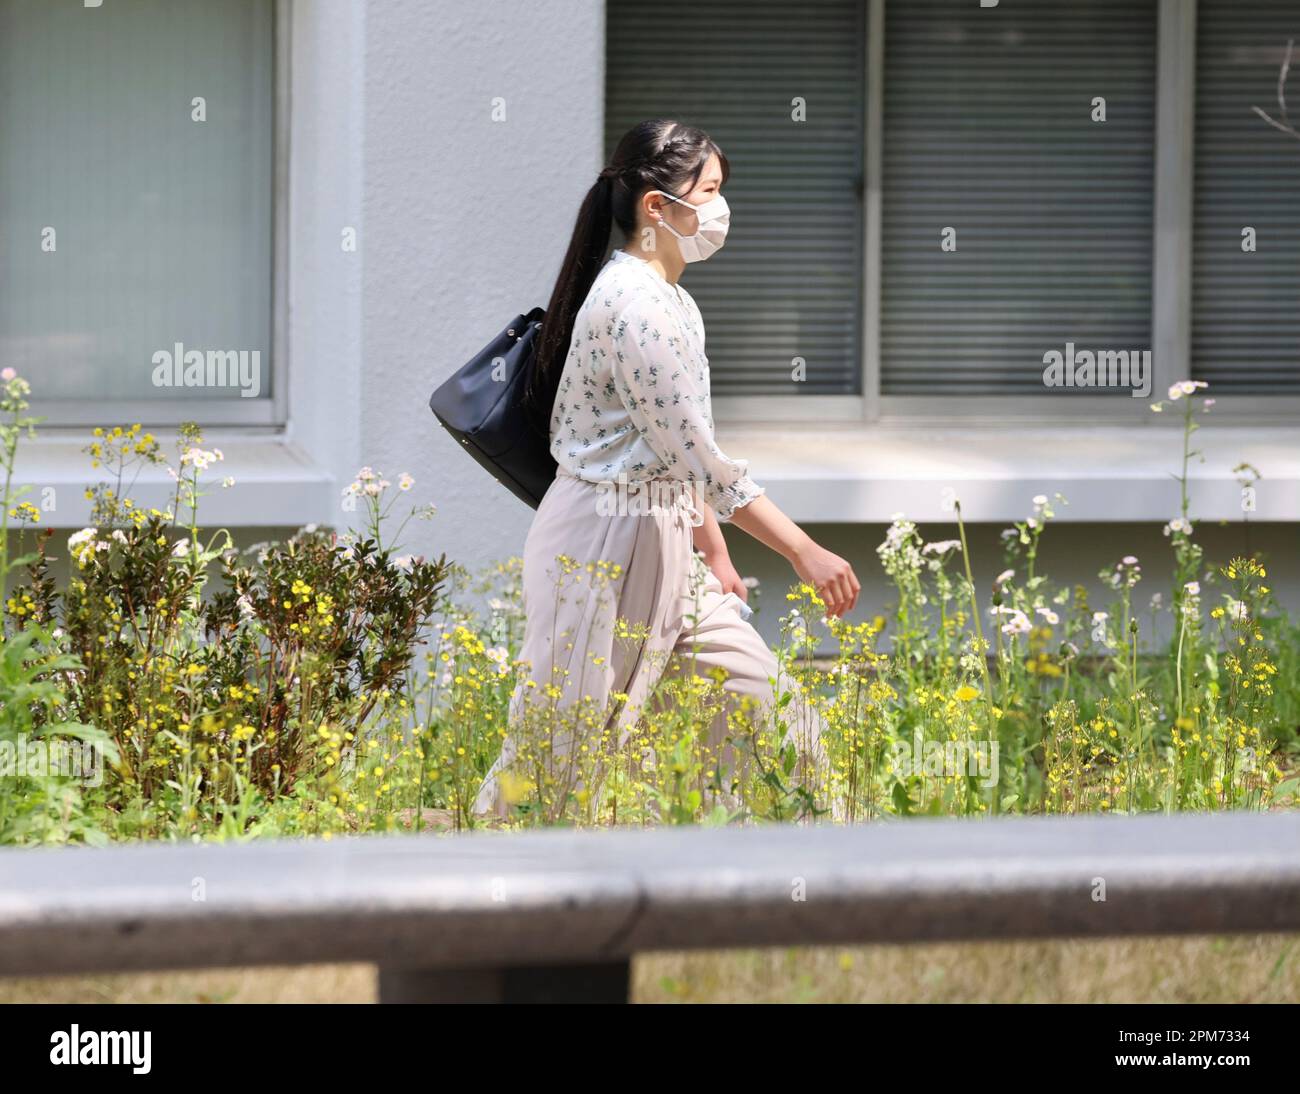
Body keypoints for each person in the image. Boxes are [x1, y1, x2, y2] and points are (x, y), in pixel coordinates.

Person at [472, 119, 859, 820]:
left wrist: (709, 550)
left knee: (778, 723)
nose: (719, 209)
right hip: (600, 546)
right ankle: (478, 900)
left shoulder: (672, 300)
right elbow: (705, 462)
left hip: (663, 540)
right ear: (657, 207)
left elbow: (675, 449)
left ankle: (826, 887)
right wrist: (804, 552)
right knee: (554, 761)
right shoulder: (636, 308)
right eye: (707, 191)